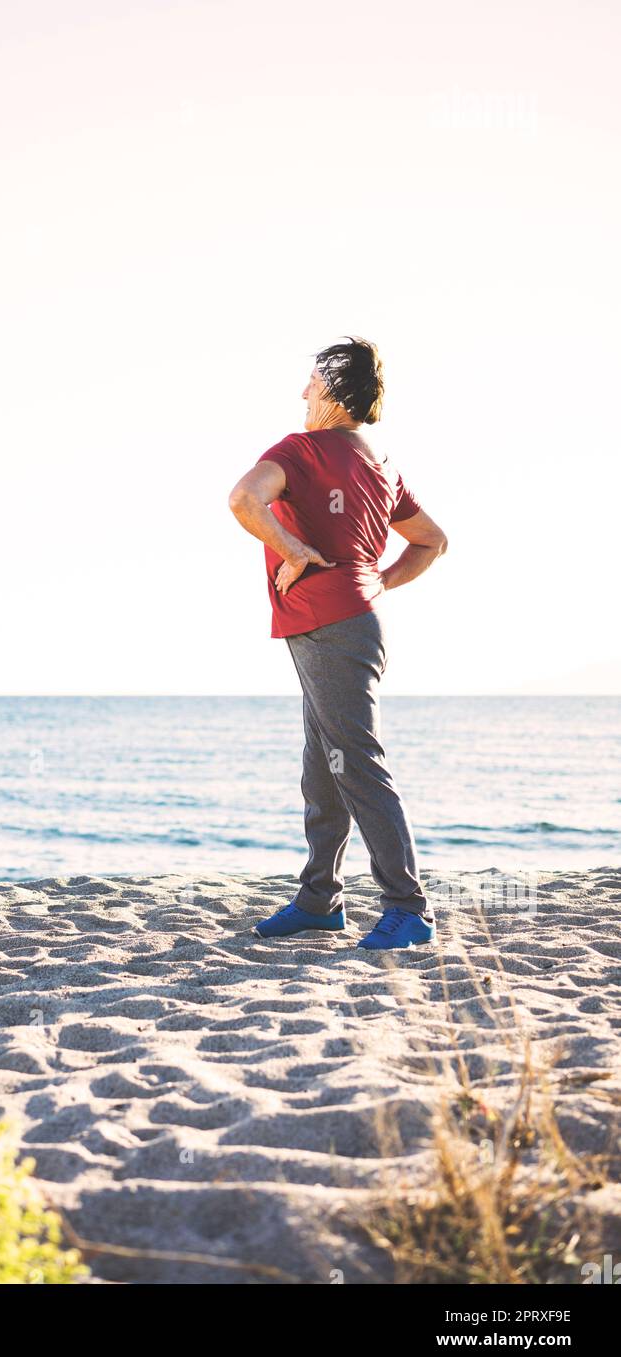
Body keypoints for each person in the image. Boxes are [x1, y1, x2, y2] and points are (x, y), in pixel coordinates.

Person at [228, 337, 447, 949]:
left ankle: (409, 908)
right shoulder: (379, 462)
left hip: (331, 627)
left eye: (312, 385)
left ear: (334, 392)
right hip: (348, 623)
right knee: (322, 767)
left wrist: (296, 549)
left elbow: (243, 498)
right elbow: (431, 540)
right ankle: (320, 899)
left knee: (354, 762)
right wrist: (379, 580)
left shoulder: (300, 451)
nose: (303, 394)